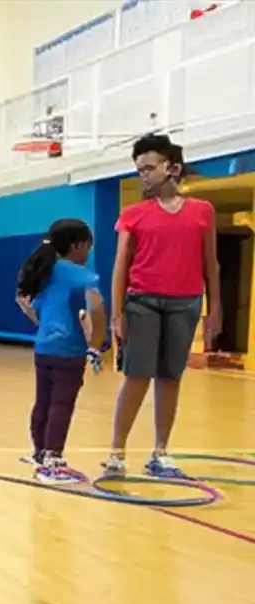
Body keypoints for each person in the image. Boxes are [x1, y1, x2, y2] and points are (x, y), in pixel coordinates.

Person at [105, 134, 220, 479]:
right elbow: (120, 266)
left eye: (149, 168)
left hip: (185, 304)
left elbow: (211, 263)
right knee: (137, 376)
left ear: (172, 168)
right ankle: (117, 452)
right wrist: (117, 314)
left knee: (171, 377)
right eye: (139, 169)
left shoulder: (203, 211)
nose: (143, 174)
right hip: (142, 302)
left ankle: (160, 453)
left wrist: (216, 309)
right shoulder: (133, 214)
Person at [14, 219, 107, 482]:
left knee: (43, 399)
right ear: (77, 245)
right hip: (70, 350)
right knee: (62, 403)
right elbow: (98, 309)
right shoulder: (82, 275)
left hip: (43, 348)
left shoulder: (43, 271)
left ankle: (39, 451)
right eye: (88, 247)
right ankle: (54, 459)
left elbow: (24, 301)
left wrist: (42, 324)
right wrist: (95, 346)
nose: (88, 253)